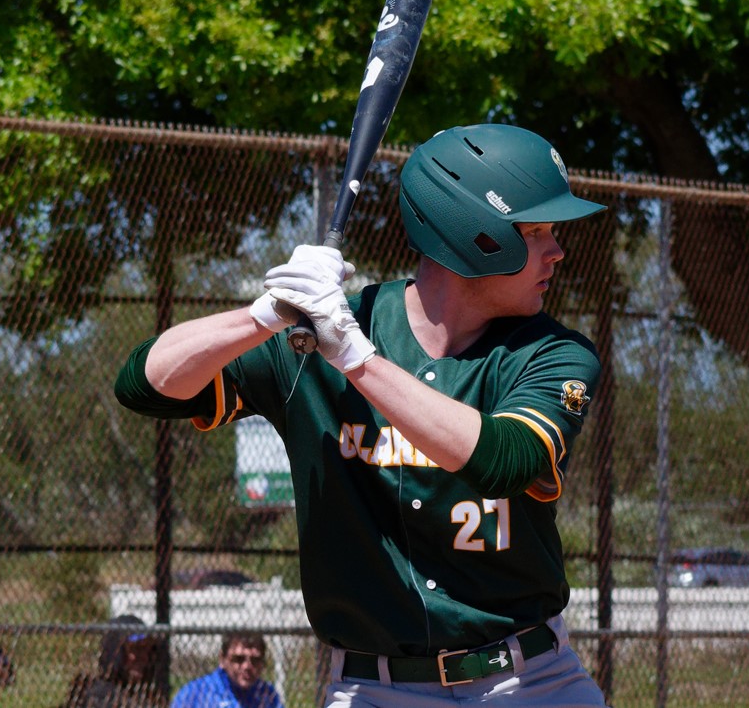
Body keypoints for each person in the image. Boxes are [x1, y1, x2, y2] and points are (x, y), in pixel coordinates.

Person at [115, 123, 609, 705]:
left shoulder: (551, 353)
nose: (557, 250)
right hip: (373, 687)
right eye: (535, 231)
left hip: (529, 679)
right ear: (473, 232)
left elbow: (506, 460)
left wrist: (354, 355)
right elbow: (145, 384)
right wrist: (263, 317)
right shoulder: (319, 335)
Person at [60, 615, 164, 708]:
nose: (143, 657)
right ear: (115, 653)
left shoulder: (146, 693)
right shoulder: (98, 696)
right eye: (135, 649)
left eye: (145, 649)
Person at [169, 632, 284, 708]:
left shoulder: (267, 695)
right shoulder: (196, 693)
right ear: (222, 659)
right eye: (239, 659)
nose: (247, 666)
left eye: (255, 660)